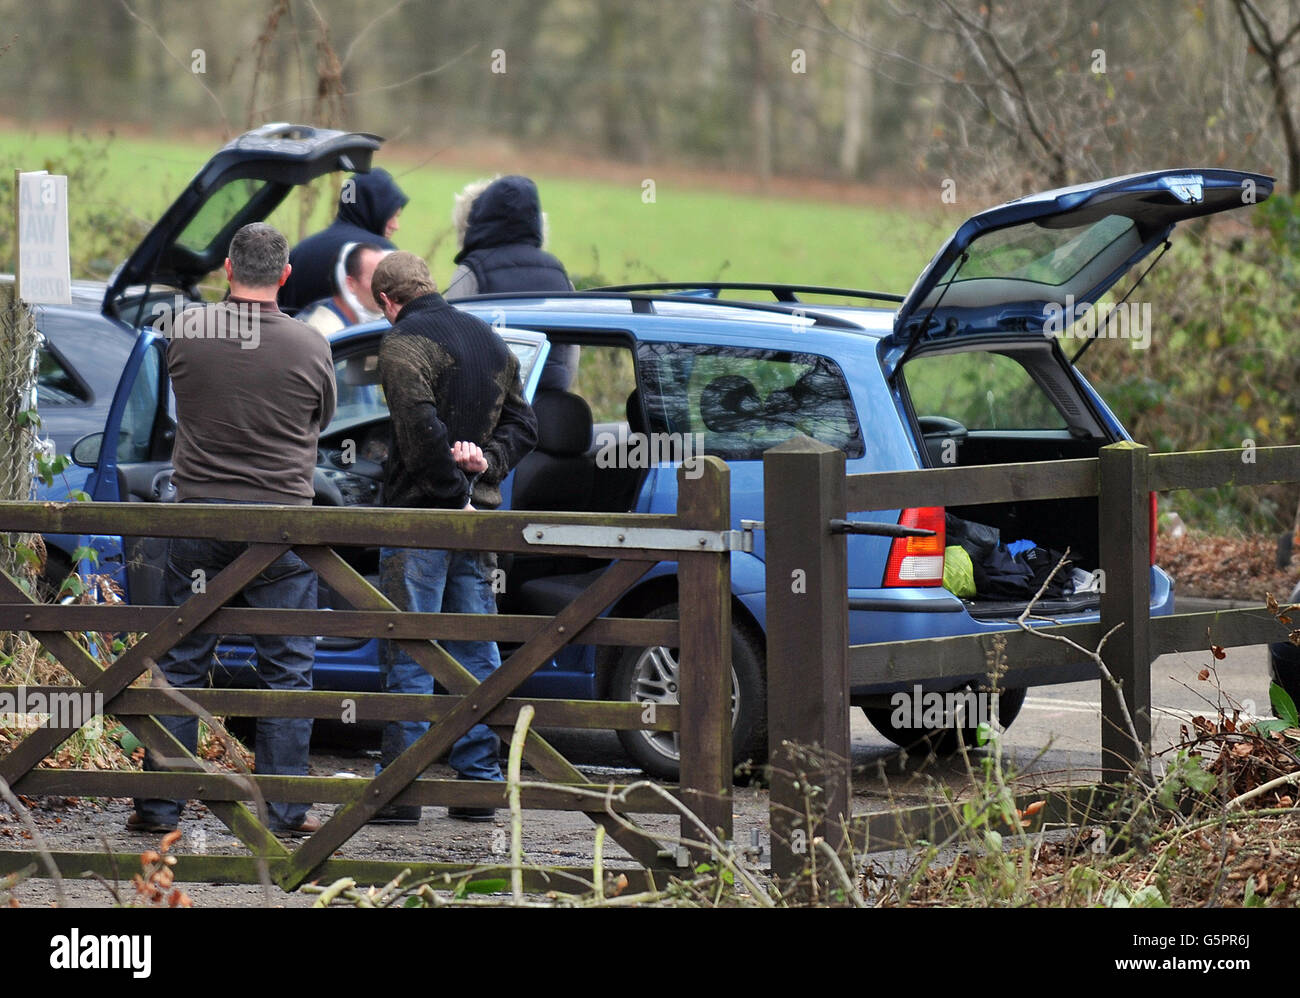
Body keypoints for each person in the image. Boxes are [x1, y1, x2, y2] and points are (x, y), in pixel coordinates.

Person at [129, 222, 337, 838]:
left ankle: (160, 809)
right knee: (289, 669)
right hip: (278, 525)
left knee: (181, 663)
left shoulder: (185, 331)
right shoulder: (310, 344)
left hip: (199, 517)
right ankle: (283, 812)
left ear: (226, 268)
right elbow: (319, 418)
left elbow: (178, 401)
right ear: (285, 275)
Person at [368, 251, 537, 824]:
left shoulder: (403, 344)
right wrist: (483, 466)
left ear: (387, 302)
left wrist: (452, 484)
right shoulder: (488, 339)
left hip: (419, 518)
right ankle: (480, 785)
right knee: (474, 649)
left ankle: (400, 790)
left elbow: (417, 429)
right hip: (475, 523)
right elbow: (524, 424)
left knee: (410, 647)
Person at [445, 174, 579, 391]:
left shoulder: (471, 271)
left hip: (488, 407)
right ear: (536, 219)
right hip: (550, 408)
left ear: (481, 216)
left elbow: (450, 344)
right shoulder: (558, 274)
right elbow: (570, 357)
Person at [280, 167, 408, 313]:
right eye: (391, 214)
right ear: (373, 207)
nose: (395, 226)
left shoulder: (299, 252)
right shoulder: (381, 253)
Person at [297, 241, 388, 336]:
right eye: (376, 279)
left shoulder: (383, 321)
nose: (386, 287)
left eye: (387, 278)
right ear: (351, 284)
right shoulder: (324, 331)